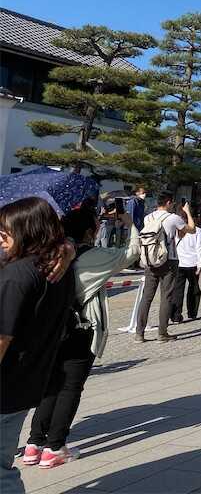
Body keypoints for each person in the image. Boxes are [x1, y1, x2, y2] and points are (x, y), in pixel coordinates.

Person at [23, 199, 141, 469]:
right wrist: (128, 223)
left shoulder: (50, 253)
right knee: (70, 387)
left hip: (51, 329)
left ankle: (33, 444)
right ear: (90, 231)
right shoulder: (93, 257)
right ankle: (55, 447)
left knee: (50, 385)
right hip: (79, 329)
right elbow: (132, 253)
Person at [0, 197, 75, 492]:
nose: (0, 240)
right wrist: (67, 246)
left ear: (26, 231)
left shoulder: (17, 276)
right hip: (23, 383)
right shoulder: (57, 267)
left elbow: (2, 337)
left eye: (5, 234)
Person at [135, 194, 195, 344]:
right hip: (169, 260)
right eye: (172, 203)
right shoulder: (173, 217)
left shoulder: (148, 218)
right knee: (166, 296)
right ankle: (162, 333)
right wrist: (187, 212)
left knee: (147, 297)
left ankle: (139, 333)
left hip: (150, 259)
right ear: (168, 203)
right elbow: (192, 229)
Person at [170, 206, 201, 323]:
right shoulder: (197, 231)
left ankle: (175, 315)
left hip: (178, 264)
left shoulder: (175, 230)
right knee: (194, 289)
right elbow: (200, 248)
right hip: (193, 263)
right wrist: (200, 264)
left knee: (177, 290)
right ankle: (192, 312)